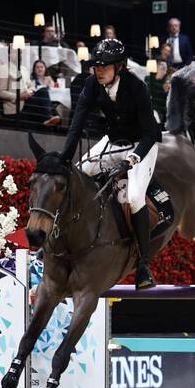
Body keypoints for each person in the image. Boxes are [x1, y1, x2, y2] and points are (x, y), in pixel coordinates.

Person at [58, 38, 164, 289]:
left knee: (136, 197)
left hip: (141, 145)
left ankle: (143, 265)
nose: (99, 70)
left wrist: (131, 161)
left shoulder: (136, 87)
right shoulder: (92, 84)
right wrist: (64, 159)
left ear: (120, 67)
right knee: (78, 175)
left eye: (105, 66)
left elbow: (151, 133)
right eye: (96, 66)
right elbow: (77, 124)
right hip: (112, 142)